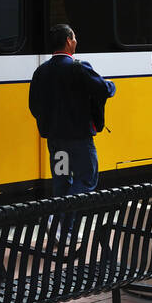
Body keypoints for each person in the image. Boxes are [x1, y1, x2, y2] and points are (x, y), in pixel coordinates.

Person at [28, 24, 116, 227]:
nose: (75, 41)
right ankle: (63, 223)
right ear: (69, 41)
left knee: (62, 179)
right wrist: (111, 85)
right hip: (79, 139)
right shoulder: (79, 67)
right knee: (86, 179)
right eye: (74, 38)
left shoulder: (41, 72)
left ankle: (58, 220)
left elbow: (34, 106)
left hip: (55, 140)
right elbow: (103, 88)